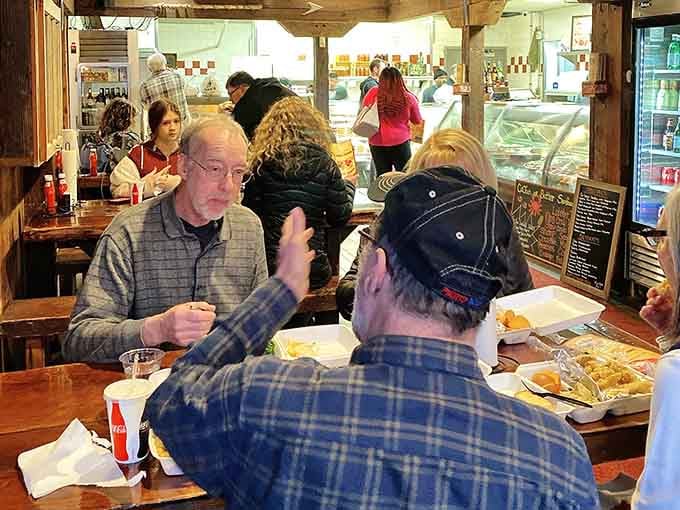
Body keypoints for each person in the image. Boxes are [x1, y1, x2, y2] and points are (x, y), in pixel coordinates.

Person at [147, 168, 598, 510]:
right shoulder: (557, 457)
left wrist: (281, 292)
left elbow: (171, 400)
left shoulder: (267, 399)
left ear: (377, 271)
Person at [63, 116, 268, 363]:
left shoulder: (248, 227)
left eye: (238, 173)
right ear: (183, 167)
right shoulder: (129, 232)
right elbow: (79, 339)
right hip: (150, 387)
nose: (228, 186)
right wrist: (157, 328)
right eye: (214, 169)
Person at [336, 128, 533, 320]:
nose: (448, 196)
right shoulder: (392, 224)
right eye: (437, 184)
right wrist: (380, 289)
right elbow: (347, 295)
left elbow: (524, 296)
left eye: (461, 186)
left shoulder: (497, 231)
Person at [243, 97, 355, 290]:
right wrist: (350, 186)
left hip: (271, 268)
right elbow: (340, 217)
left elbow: (250, 215)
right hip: (312, 268)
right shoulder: (325, 162)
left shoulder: (260, 164)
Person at [633, 188, 680, 509]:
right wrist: (669, 334)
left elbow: (658, 501)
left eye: (662, 235)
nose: (658, 250)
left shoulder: (676, 372)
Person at [109, 99, 182, 199]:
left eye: (176, 121)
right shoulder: (140, 154)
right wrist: (146, 187)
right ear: (155, 126)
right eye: (166, 123)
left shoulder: (190, 153)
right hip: (147, 213)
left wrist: (180, 183)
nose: (173, 127)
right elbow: (117, 190)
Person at [362, 66, 422, 176]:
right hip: (400, 141)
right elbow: (417, 120)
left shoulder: (373, 93)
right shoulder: (408, 97)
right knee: (404, 176)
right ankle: (401, 193)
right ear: (400, 80)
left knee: (382, 176)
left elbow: (364, 110)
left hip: (376, 140)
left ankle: (384, 194)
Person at [226, 71, 295, 140]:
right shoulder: (270, 87)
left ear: (241, 89)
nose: (230, 99)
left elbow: (235, 136)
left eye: (230, 94)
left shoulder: (246, 104)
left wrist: (225, 115)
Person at [80, 98, 141, 175]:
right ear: (126, 120)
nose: (134, 121)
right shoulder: (128, 139)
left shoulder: (103, 138)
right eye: (133, 118)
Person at [140, 52, 191, 124]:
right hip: (181, 124)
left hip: (160, 127)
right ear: (165, 64)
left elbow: (145, 107)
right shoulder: (178, 77)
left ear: (149, 68)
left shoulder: (145, 86)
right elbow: (187, 90)